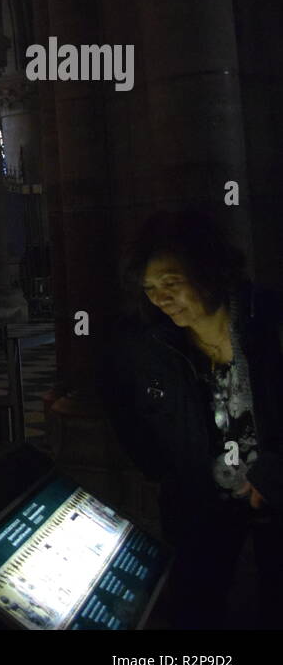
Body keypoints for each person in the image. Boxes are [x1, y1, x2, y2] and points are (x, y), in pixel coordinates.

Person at [102, 210, 283, 628]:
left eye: (171, 283)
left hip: (276, 499)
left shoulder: (267, 323)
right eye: (150, 288)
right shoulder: (151, 345)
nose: (160, 298)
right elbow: (120, 401)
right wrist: (162, 468)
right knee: (196, 606)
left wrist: (274, 472)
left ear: (210, 271)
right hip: (200, 509)